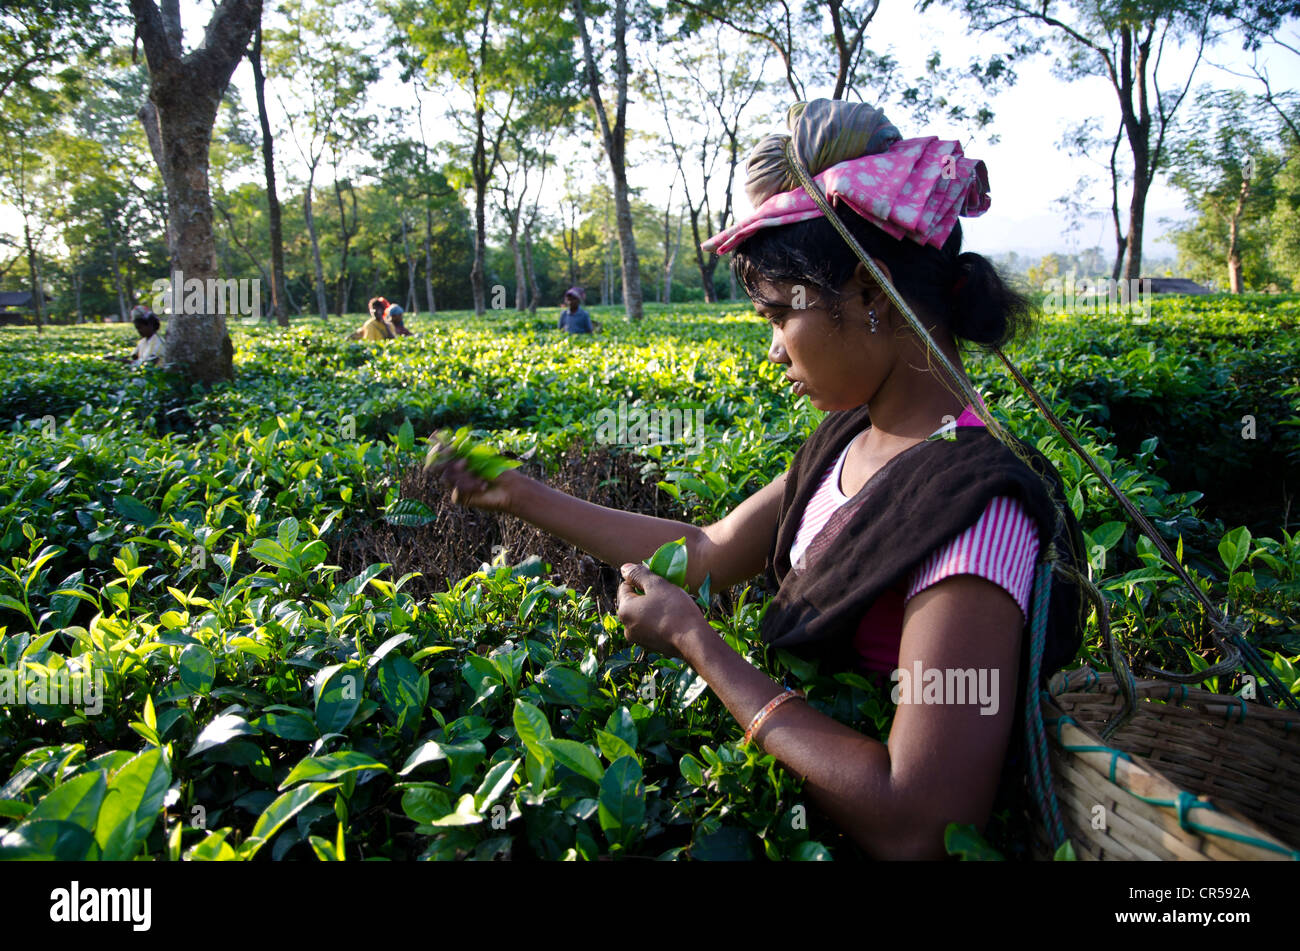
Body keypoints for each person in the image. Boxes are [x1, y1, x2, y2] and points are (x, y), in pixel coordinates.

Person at [434, 100, 1084, 859]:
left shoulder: (975, 510)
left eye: (780, 316)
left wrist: (696, 643)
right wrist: (519, 493)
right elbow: (707, 552)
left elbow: (922, 822)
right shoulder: (852, 435)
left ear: (872, 295)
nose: (775, 351)